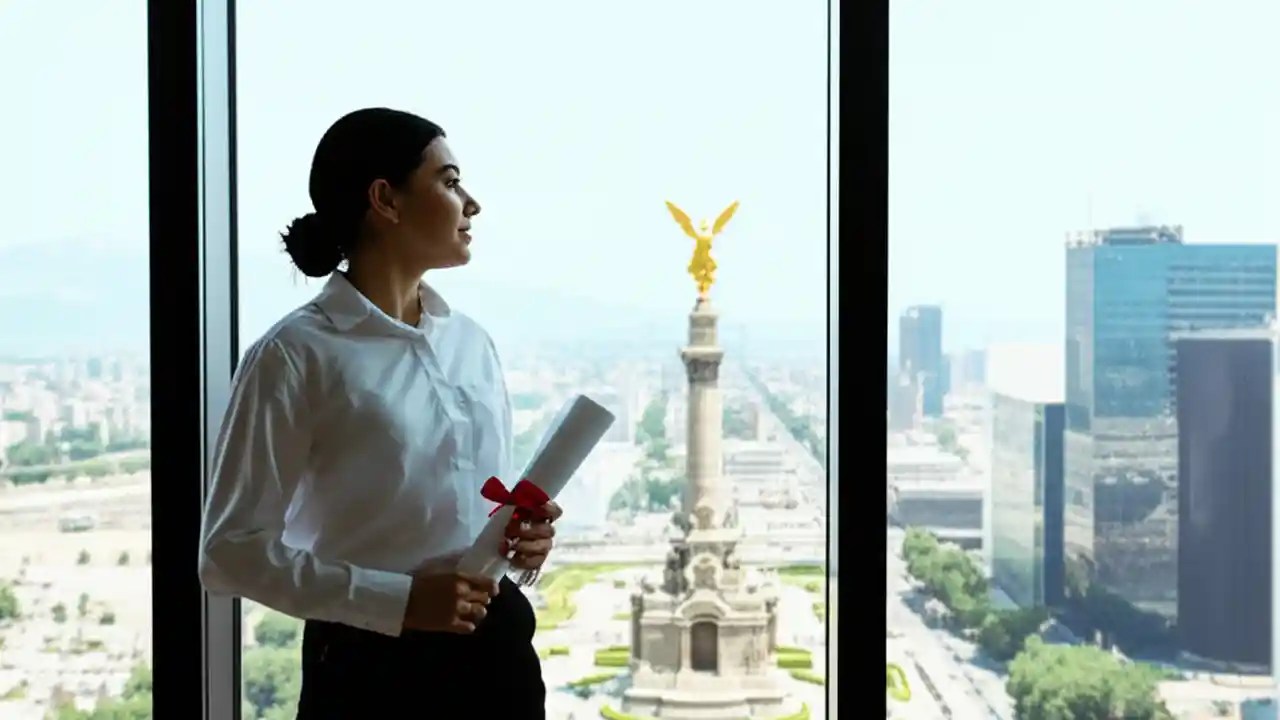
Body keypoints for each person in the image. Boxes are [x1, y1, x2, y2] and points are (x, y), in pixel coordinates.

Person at [198, 108, 557, 719]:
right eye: (449, 181)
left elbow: (475, 505)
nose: (471, 204)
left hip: (498, 651)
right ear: (385, 199)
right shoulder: (294, 355)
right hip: (370, 668)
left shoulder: (471, 342)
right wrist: (401, 602)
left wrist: (523, 541)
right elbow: (229, 552)